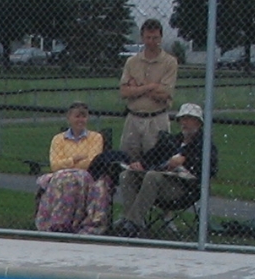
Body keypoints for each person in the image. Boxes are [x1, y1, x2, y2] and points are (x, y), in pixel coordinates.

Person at [112, 102, 215, 237]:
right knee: (127, 175)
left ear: (198, 123)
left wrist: (187, 159)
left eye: (189, 119)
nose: (185, 122)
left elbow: (210, 170)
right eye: (182, 119)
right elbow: (152, 156)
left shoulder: (205, 144)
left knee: (152, 176)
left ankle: (132, 223)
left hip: (185, 189)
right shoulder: (173, 141)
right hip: (161, 184)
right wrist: (140, 164)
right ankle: (133, 221)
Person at [33, 101, 111, 235]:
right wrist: (74, 160)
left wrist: (67, 162)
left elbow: (92, 162)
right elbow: (55, 165)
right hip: (62, 175)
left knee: (76, 180)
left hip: (87, 175)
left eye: (84, 116)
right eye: (77, 116)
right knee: (63, 180)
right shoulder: (58, 139)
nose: (81, 120)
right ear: (69, 118)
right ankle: (58, 224)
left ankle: (78, 225)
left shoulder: (95, 138)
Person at [118, 18, 178, 161]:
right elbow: (124, 92)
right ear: (142, 37)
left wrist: (137, 87)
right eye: (148, 38)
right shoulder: (132, 62)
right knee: (128, 161)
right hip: (133, 118)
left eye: (155, 38)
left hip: (156, 118)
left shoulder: (170, 62)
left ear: (161, 38)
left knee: (156, 161)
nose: (151, 41)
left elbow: (164, 94)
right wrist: (151, 86)